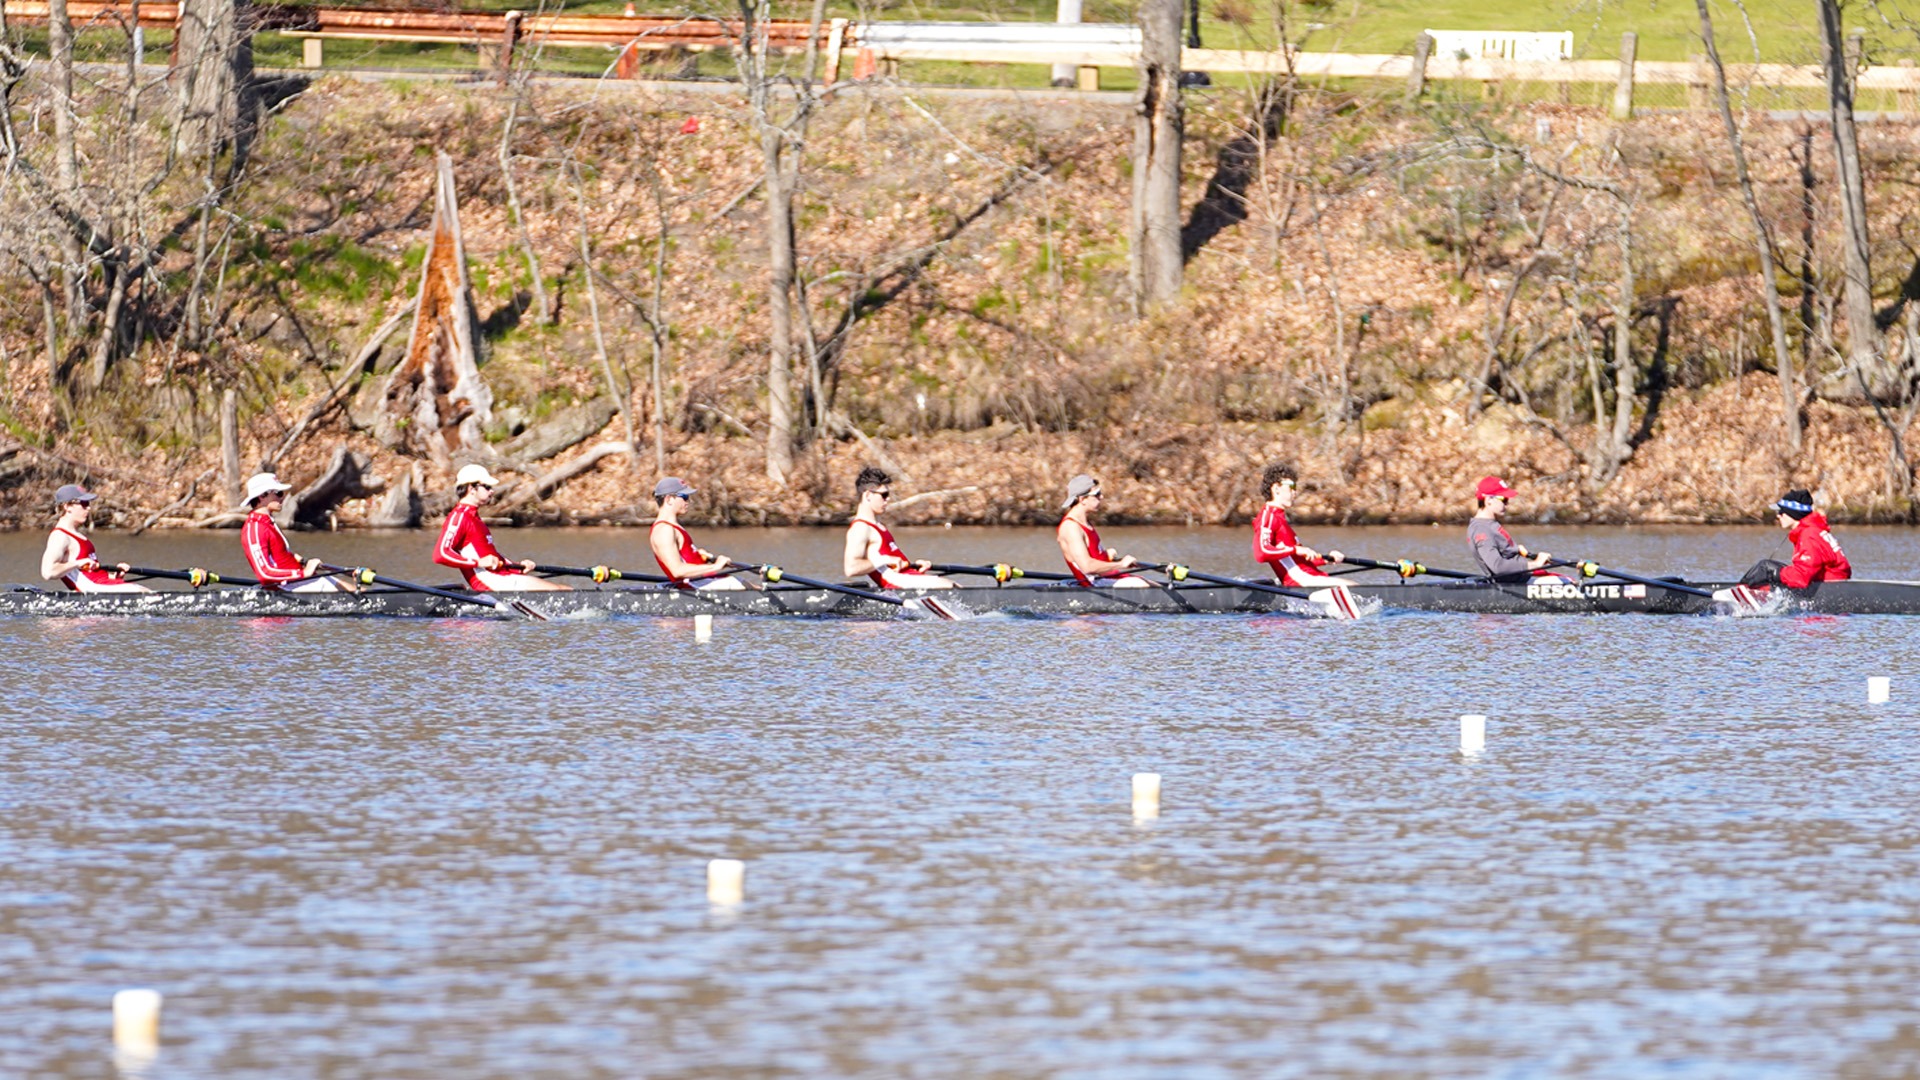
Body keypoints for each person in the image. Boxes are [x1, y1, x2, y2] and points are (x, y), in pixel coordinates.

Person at [433, 464, 569, 592]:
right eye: (486, 487)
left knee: (565, 590)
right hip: (490, 582)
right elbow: (440, 554)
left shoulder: (474, 518)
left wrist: (518, 567)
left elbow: (493, 557)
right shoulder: (459, 517)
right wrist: (477, 562)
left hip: (500, 578)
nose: (491, 491)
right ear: (471, 489)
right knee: (562, 591)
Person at [1252, 463, 1357, 618]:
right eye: (1291, 487)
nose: (1295, 493)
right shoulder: (1268, 517)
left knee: (1356, 589)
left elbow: (1296, 561)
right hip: (1300, 582)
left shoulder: (1280, 519)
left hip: (1309, 576)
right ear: (1276, 488)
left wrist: (1326, 559)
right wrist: (1296, 549)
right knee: (1354, 589)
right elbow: (1261, 552)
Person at [241, 473, 360, 593]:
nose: (281, 497)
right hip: (288, 586)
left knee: (356, 591)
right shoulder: (255, 528)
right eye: (278, 493)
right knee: (357, 594)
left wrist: (299, 559)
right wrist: (304, 573)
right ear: (262, 496)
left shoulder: (267, 522)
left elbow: (278, 555)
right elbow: (264, 573)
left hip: (297, 582)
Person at [843, 466, 954, 589]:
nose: (888, 499)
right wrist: (884, 559)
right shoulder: (861, 528)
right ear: (868, 495)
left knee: (952, 585)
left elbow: (893, 566)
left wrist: (914, 567)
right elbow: (851, 568)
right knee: (948, 585)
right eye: (884, 495)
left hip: (907, 579)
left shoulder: (879, 527)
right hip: (897, 586)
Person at [41, 484, 148, 593]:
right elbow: (48, 572)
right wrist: (78, 563)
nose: (88, 508)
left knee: (146, 592)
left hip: (100, 586)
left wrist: (115, 576)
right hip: (92, 590)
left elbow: (91, 575)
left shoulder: (78, 536)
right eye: (84, 504)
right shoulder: (60, 536)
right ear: (67, 506)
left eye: (88, 504)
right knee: (140, 591)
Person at [1741, 489, 1851, 591]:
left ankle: (1743, 591)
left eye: (1781, 512)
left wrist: (1775, 574)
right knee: (1765, 566)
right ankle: (1744, 589)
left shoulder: (1809, 535)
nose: (1778, 516)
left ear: (1793, 513)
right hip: (1826, 582)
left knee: (1765, 567)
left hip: (1830, 588)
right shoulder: (1813, 530)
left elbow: (1802, 577)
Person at [650, 477, 744, 590]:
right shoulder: (664, 530)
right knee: (737, 583)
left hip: (700, 581)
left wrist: (697, 555)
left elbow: (682, 555)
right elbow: (677, 571)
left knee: (742, 582)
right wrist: (716, 566)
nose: (688, 501)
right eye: (684, 497)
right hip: (693, 586)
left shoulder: (673, 527)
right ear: (669, 499)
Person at [1057, 474, 1150, 588]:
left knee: (1150, 583)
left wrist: (1105, 555)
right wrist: (1120, 564)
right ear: (1083, 499)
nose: (1101, 497)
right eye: (1097, 494)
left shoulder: (1085, 522)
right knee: (1140, 584)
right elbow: (1087, 567)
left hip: (1104, 577)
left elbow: (1092, 555)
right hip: (1093, 583)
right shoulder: (1071, 527)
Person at [1466, 475, 1565, 582]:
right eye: (1503, 499)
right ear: (1489, 500)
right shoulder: (1481, 530)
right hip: (1510, 585)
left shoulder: (1488, 524)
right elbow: (1497, 566)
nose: (1507, 504)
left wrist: (1515, 549)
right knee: (1565, 583)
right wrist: (1535, 564)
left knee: (1566, 580)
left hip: (1519, 580)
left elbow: (1500, 550)